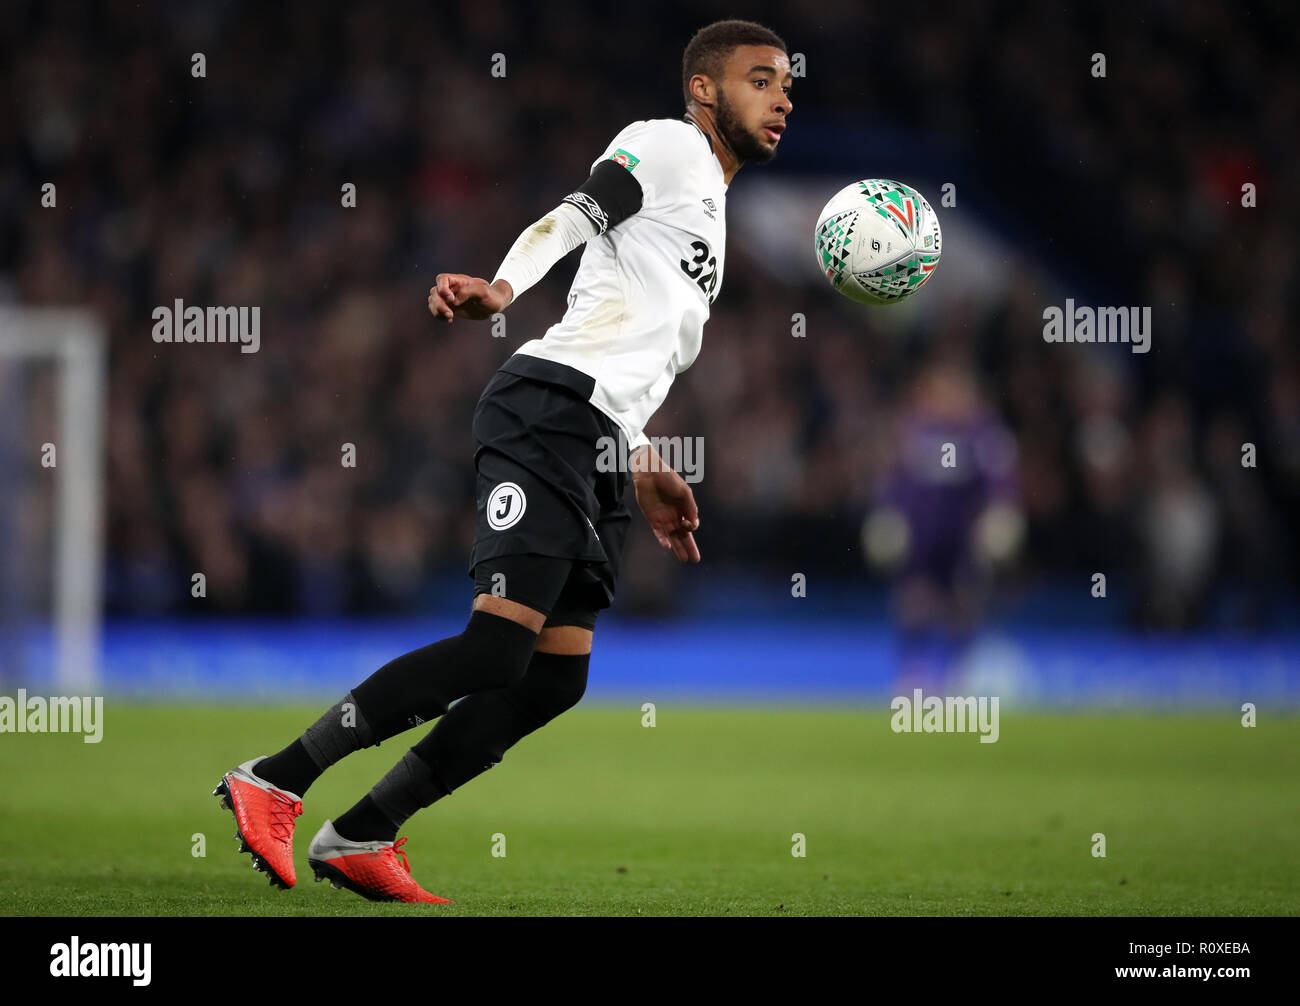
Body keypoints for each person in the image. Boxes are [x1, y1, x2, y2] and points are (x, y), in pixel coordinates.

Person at [213, 18, 793, 903]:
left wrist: (639, 462)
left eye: (787, 83)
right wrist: (502, 289)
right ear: (706, 90)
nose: (782, 95)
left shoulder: (711, 203)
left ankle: (363, 832)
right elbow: (575, 213)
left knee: (555, 677)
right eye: (761, 78)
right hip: (546, 412)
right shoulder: (669, 145)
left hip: (596, 433)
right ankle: (278, 778)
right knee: (495, 649)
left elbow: (626, 335)